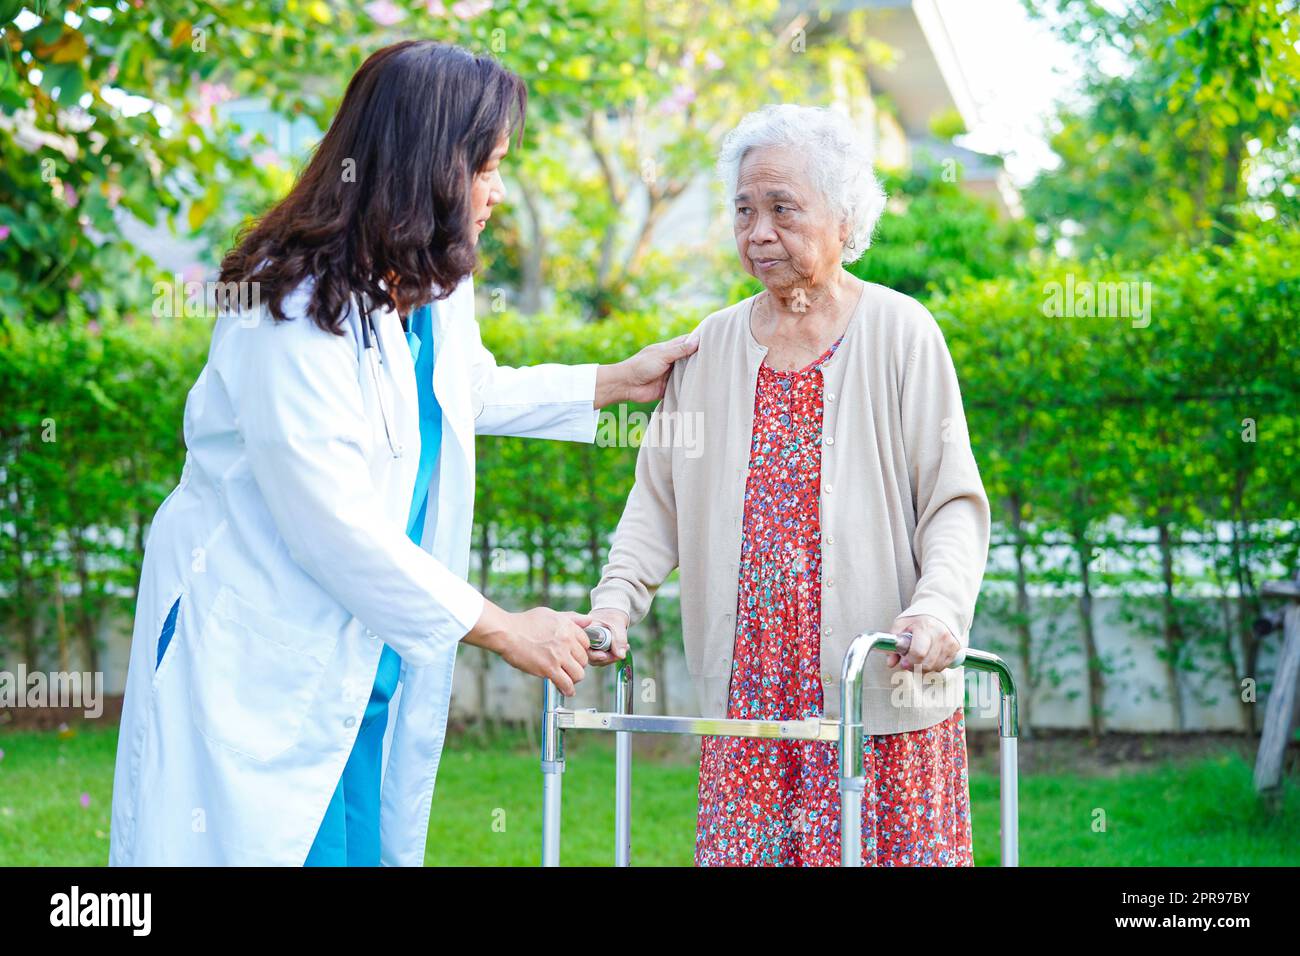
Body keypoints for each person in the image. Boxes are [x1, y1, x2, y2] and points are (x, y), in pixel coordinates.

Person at [108, 39, 696, 867]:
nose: (496, 190)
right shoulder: (290, 305)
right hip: (256, 659)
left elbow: (465, 391)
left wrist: (610, 382)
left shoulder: (424, 285)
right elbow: (331, 522)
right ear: (426, 164)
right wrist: (501, 629)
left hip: (363, 658)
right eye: (484, 166)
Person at [586, 104, 992, 866]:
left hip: (878, 691)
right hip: (749, 710)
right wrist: (614, 603)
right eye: (744, 210)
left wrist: (937, 609)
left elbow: (953, 505)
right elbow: (656, 505)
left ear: (844, 219)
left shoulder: (903, 333)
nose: (758, 232)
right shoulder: (706, 349)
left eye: (782, 209)